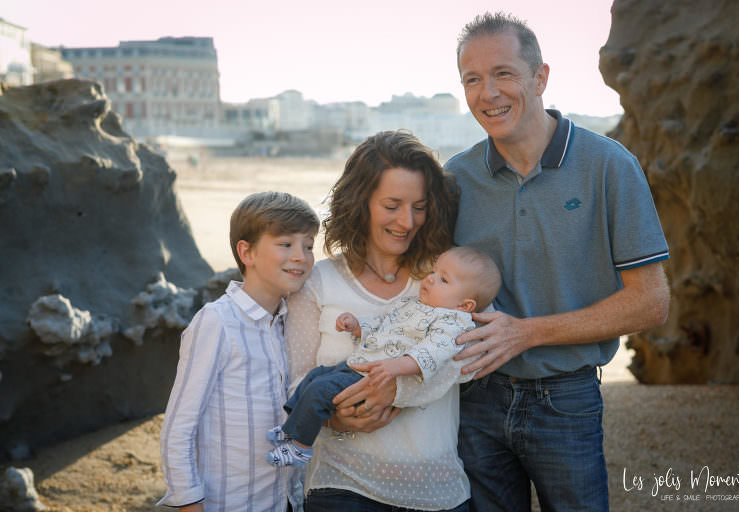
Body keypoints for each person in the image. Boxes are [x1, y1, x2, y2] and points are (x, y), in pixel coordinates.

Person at [443, 12, 672, 512]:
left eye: (503, 73)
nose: (488, 93)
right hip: (472, 397)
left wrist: (525, 333)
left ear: (540, 76)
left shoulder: (610, 166)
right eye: (472, 79)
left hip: (565, 399)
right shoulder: (455, 178)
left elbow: (651, 303)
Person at [284, 130, 471, 511]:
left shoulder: (446, 280)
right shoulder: (318, 281)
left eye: (419, 206)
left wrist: (396, 390)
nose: (407, 221)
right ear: (361, 202)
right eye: (392, 205)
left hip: (436, 488)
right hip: (341, 486)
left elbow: (467, 362)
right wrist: (337, 420)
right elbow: (298, 380)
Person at [158, 191, 319, 512]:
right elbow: (178, 428)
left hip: (285, 500)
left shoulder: (293, 322)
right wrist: (190, 502)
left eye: (310, 245)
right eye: (286, 244)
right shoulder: (217, 322)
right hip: (230, 502)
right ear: (247, 252)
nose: (301, 256)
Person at [267, 246, 501, 468]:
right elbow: (385, 325)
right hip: (360, 364)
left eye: (444, 279)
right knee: (315, 376)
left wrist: (397, 367)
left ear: (465, 304)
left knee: (320, 390)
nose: (430, 279)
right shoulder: (415, 305)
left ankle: (300, 447)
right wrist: (358, 326)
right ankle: (293, 428)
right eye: (433, 271)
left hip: (372, 377)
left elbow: (433, 351)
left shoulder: (452, 323)